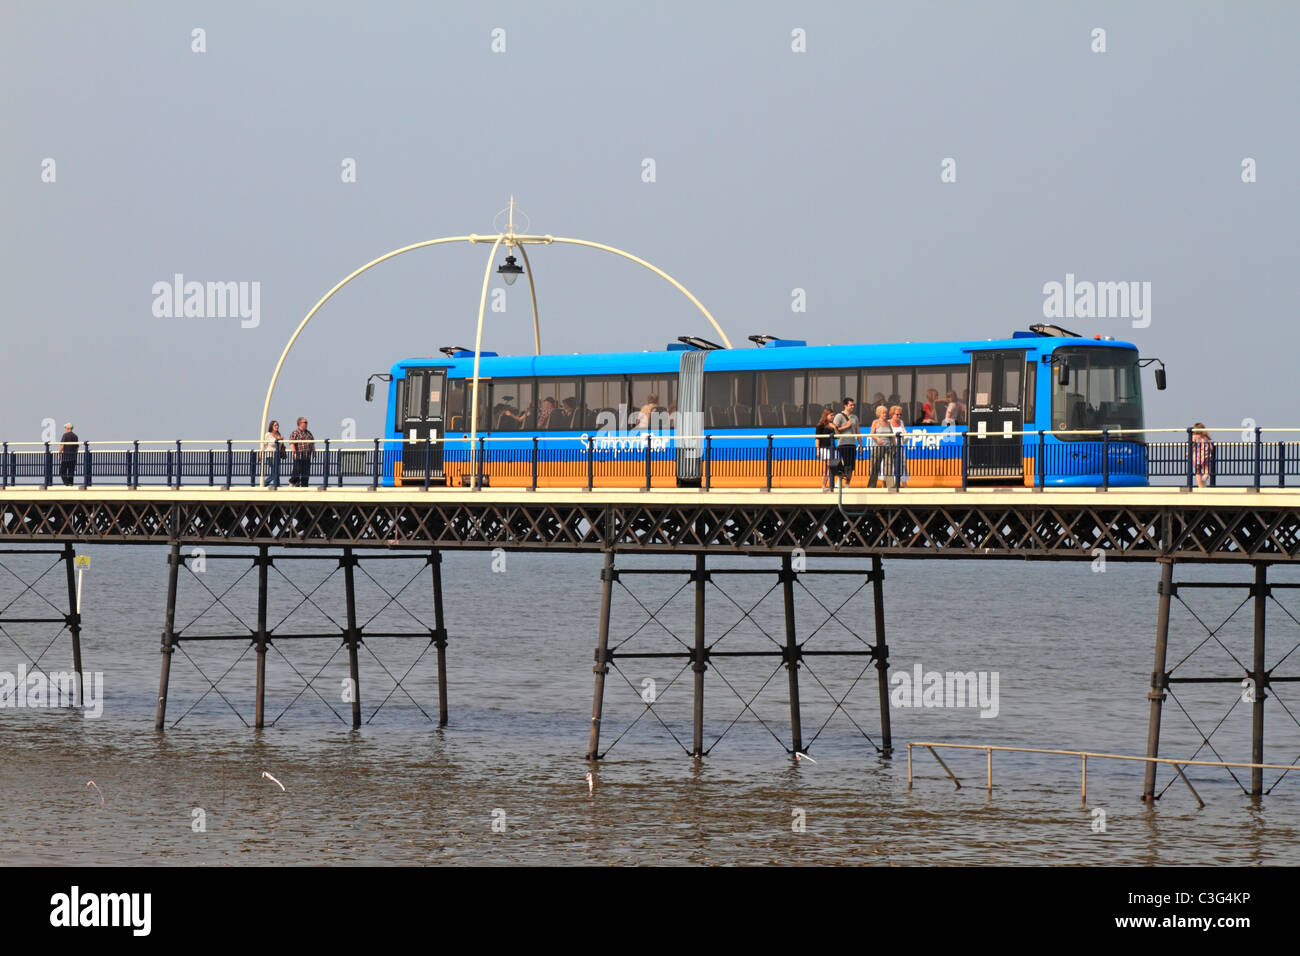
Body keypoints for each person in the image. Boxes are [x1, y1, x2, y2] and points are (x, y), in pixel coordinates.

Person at [832, 398, 861, 488]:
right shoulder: (839, 416)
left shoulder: (855, 417)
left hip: (852, 444)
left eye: (853, 405)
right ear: (845, 405)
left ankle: (847, 485)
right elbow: (835, 430)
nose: (853, 406)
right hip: (843, 443)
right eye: (851, 405)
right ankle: (839, 481)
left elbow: (858, 432)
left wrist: (860, 444)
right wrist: (846, 426)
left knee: (851, 466)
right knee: (845, 464)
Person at [867, 405, 892, 488]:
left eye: (886, 413)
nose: (885, 414)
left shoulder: (888, 423)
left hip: (888, 447)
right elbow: (871, 434)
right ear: (879, 414)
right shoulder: (876, 422)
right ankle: (871, 486)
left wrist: (894, 445)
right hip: (877, 447)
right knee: (875, 466)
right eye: (883, 413)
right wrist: (877, 438)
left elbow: (891, 435)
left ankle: (890, 485)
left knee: (888, 465)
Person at [815, 408, 837, 491]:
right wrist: (817, 450)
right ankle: (825, 485)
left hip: (832, 449)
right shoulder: (820, 425)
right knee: (828, 466)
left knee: (829, 467)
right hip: (824, 448)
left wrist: (834, 428)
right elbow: (817, 438)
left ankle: (827, 485)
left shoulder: (833, 425)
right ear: (826, 415)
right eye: (831, 415)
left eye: (833, 415)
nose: (833, 417)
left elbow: (837, 436)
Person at [289, 417, 315, 487]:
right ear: (300, 423)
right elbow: (291, 443)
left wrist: (314, 452)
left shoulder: (308, 433)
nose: (307, 424)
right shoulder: (295, 432)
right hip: (299, 455)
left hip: (307, 456)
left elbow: (312, 443)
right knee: (297, 471)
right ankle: (292, 483)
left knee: (305, 473)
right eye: (305, 422)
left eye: (307, 422)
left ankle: (304, 486)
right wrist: (294, 453)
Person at [889, 405, 910, 487]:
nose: (899, 416)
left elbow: (905, 432)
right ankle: (894, 484)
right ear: (892, 414)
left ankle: (904, 483)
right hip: (892, 447)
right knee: (892, 465)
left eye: (900, 414)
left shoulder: (901, 422)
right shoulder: (888, 423)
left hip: (900, 446)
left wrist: (906, 436)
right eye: (897, 414)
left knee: (902, 464)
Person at [1192, 423, 1215, 488]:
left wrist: (1188, 453)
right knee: (1206, 472)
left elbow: (1192, 446)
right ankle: (1203, 480)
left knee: (1198, 472)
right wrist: (1210, 450)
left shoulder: (1194, 437)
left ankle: (1200, 486)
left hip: (1196, 457)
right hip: (1204, 457)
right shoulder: (1206, 437)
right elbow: (1211, 447)